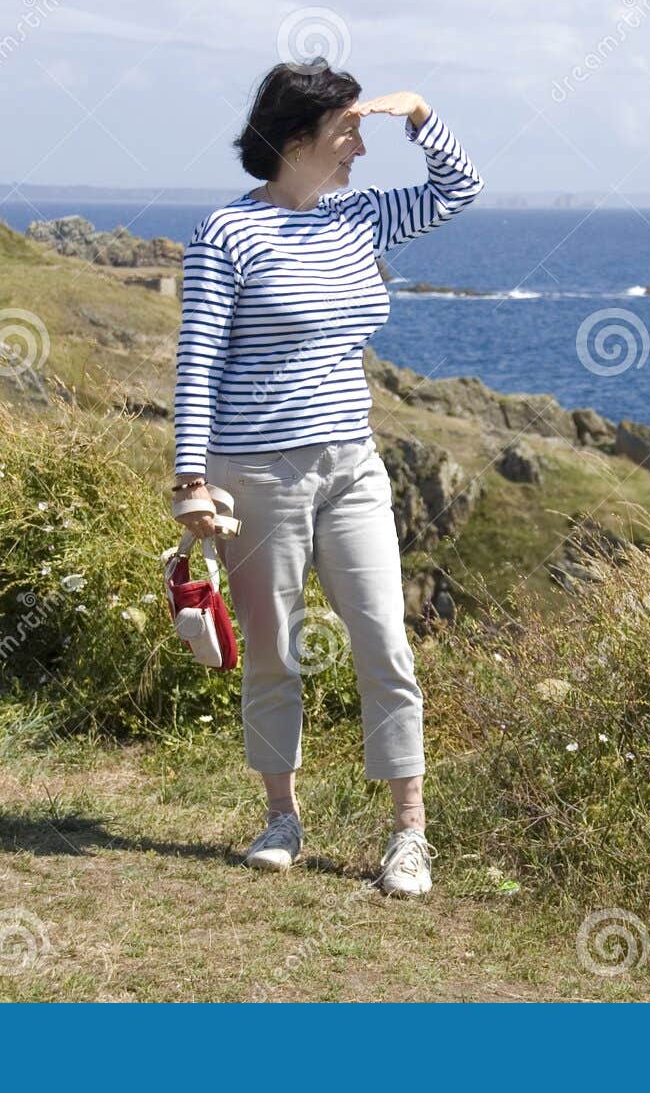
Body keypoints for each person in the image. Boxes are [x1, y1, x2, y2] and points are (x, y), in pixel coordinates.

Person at [171, 58, 484, 897]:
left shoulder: (360, 217)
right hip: (256, 475)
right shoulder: (225, 235)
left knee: (385, 640)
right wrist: (190, 480)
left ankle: (408, 835)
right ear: (297, 137)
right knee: (273, 652)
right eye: (349, 130)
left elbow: (459, 188)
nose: (361, 148)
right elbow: (197, 366)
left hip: (352, 465)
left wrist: (421, 113)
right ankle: (281, 815)